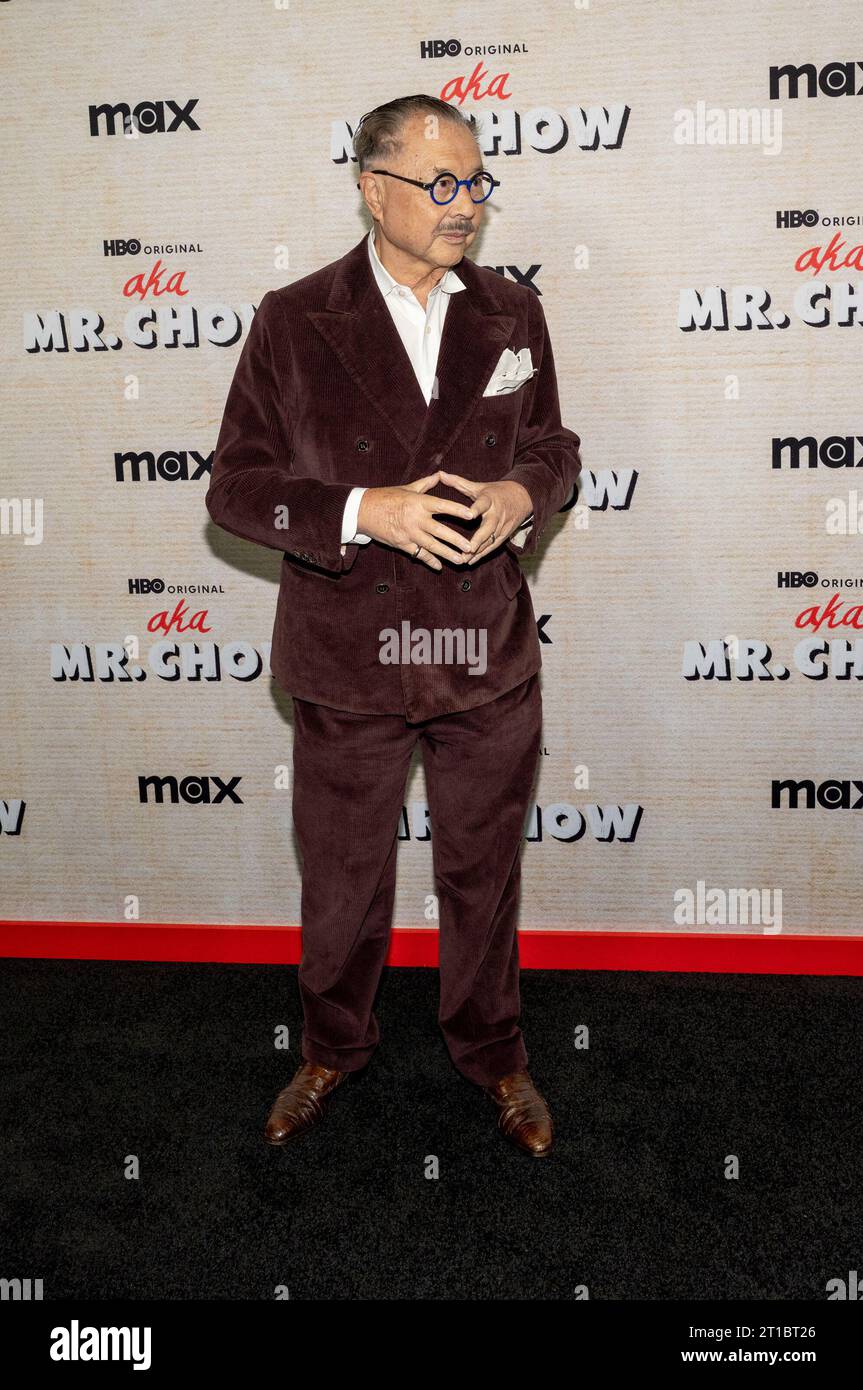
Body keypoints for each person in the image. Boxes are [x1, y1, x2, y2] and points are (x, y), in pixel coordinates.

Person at [206, 94, 581, 1157]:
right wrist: (363, 511)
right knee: (341, 878)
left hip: (483, 653)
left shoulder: (511, 309)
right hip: (347, 658)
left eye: (476, 184)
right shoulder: (292, 317)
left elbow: (553, 445)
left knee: (482, 871)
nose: (465, 206)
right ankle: (331, 1045)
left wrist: (521, 495)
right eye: (440, 184)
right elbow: (235, 488)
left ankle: (494, 1053)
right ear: (372, 188)